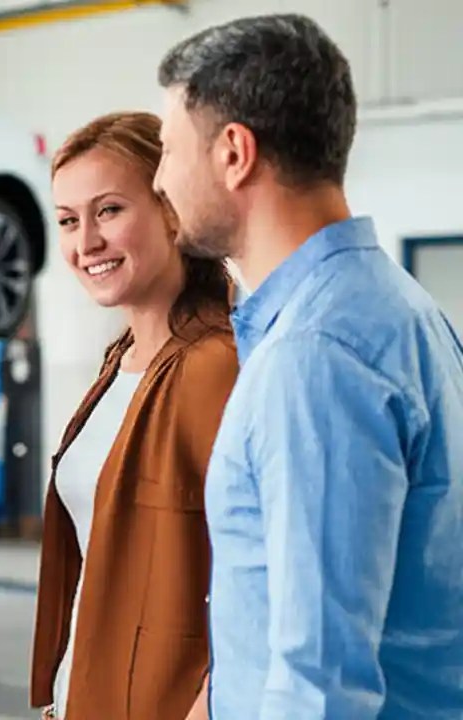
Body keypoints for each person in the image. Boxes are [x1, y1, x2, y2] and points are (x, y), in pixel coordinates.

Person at [154, 13, 463, 719]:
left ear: (234, 152)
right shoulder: (397, 313)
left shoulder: (315, 359)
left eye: (169, 150)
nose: (160, 178)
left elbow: (320, 687)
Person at [28, 111, 238, 720]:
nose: (84, 242)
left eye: (109, 210)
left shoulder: (216, 367)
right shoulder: (119, 362)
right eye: (68, 220)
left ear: (173, 209)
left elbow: (265, 576)